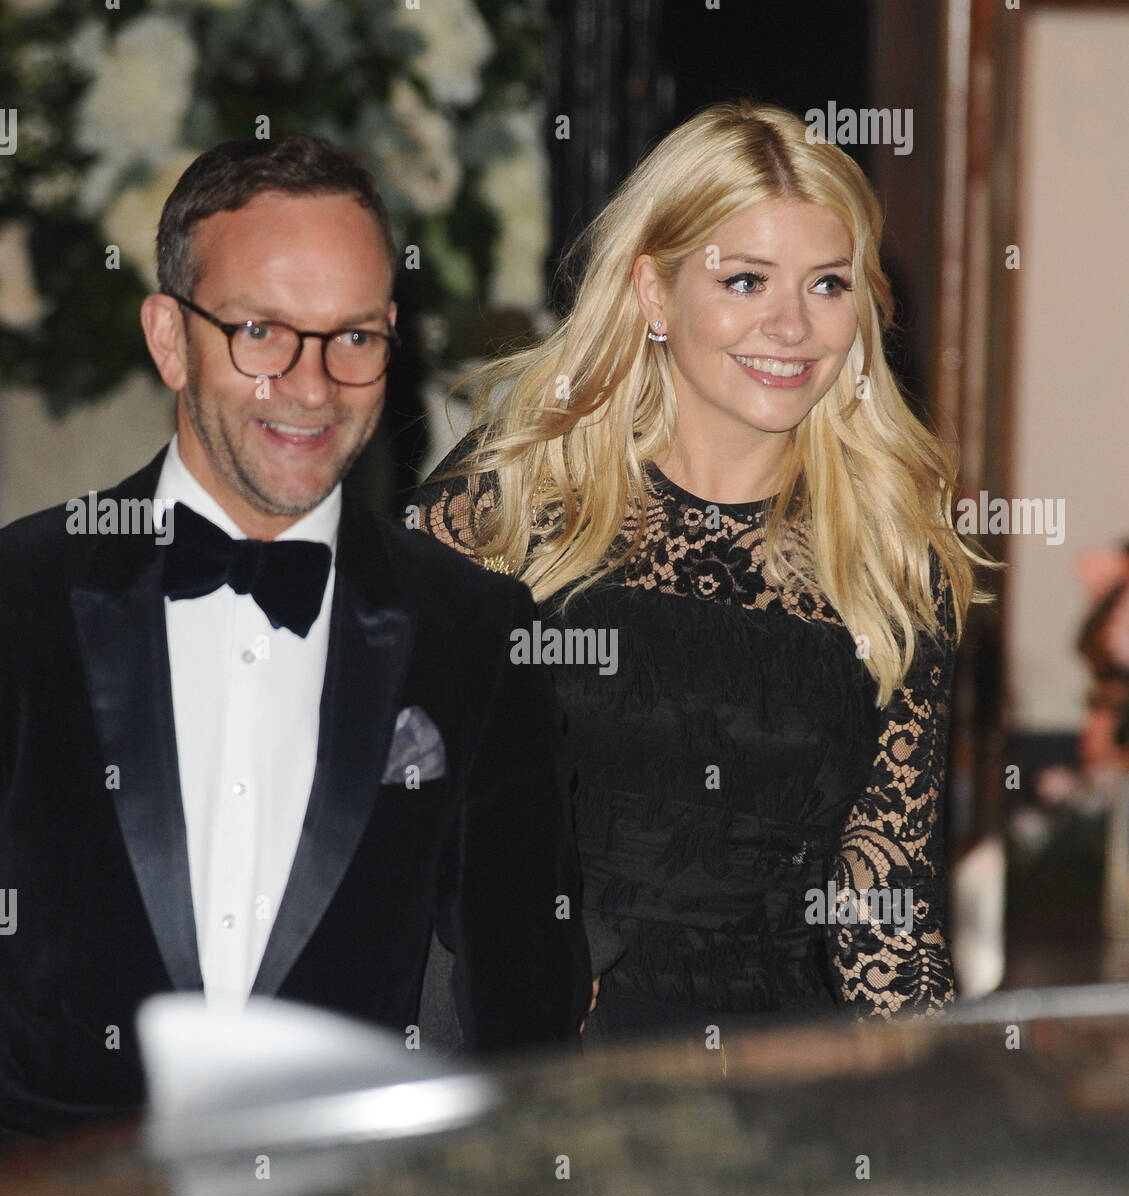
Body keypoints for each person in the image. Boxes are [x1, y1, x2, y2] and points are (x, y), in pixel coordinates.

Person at [0, 136, 591, 1141]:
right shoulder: (22, 595)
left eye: (352, 336)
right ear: (170, 338)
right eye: (262, 332)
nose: (314, 387)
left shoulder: (473, 630)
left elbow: (523, 1008)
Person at [411, 101, 987, 1041]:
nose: (790, 326)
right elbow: (388, 790)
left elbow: (883, 904)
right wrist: (515, 952)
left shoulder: (890, 557)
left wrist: (938, 1092)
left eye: (827, 284)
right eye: (745, 280)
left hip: (777, 1071)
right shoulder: (510, 505)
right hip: (539, 1051)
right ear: (652, 291)